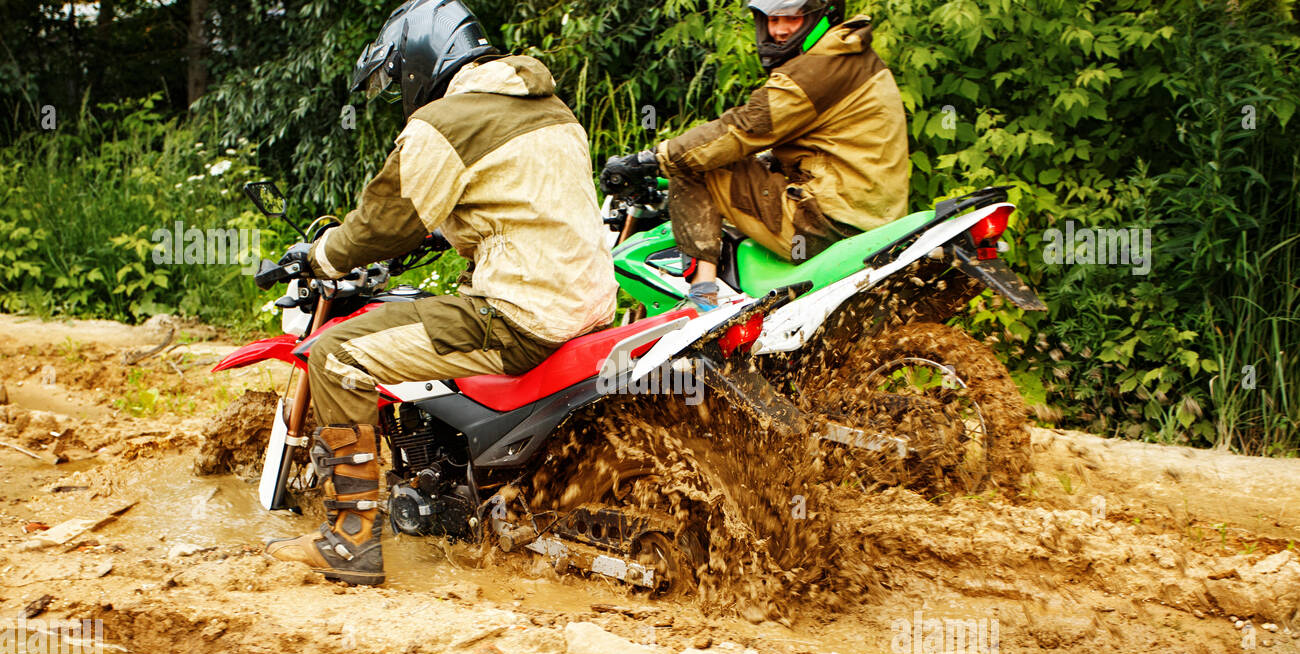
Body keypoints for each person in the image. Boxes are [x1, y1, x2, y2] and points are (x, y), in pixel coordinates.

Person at [265, 0, 617, 586]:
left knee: (336, 355)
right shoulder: (547, 106)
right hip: (586, 308)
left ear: (417, 63)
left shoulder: (446, 121)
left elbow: (382, 222)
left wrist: (320, 254)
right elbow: (514, 198)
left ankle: (349, 541)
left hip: (520, 315)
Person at [600, 0, 909, 307]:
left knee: (691, 164)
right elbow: (830, 147)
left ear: (822, 15)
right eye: (770, 20)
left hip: (826, 221)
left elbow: (742, 128)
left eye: (791, 18)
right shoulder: (854, 57)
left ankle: (701, 302)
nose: (779, 30)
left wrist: (653, 159)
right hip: (871, 215)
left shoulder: (817, 69)